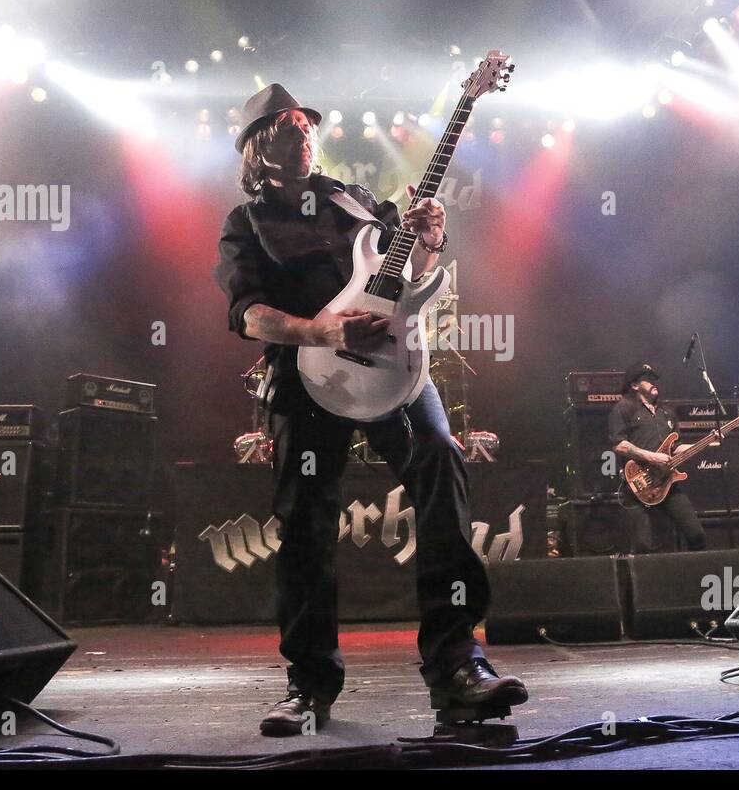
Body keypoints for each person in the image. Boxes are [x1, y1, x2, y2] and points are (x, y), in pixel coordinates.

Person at [214, 84, 527, 736]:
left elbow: (405, 273)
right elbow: (247, 314)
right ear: (254, 147)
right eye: (282, 126)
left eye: (305, 123)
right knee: (306, 522)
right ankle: (309, 685)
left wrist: (431, 239)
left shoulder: (354, 201)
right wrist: (320, 332)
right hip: (305, 376)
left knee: (441, 462)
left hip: (394, 367)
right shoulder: (246, 223)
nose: (300, 132)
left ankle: (458, 667)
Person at [608, 361, 708, 553]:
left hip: (667, 482)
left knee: (696, 535)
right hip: (637, 483)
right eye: (647, 379)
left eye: (654, 379)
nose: (654, 383)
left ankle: (695, 580)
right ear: (634, 385)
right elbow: (620, 445)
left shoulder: (667, 412)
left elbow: (675, 447)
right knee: (641, 545)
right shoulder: (623, 408)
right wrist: (652, 457)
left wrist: (704, 443)